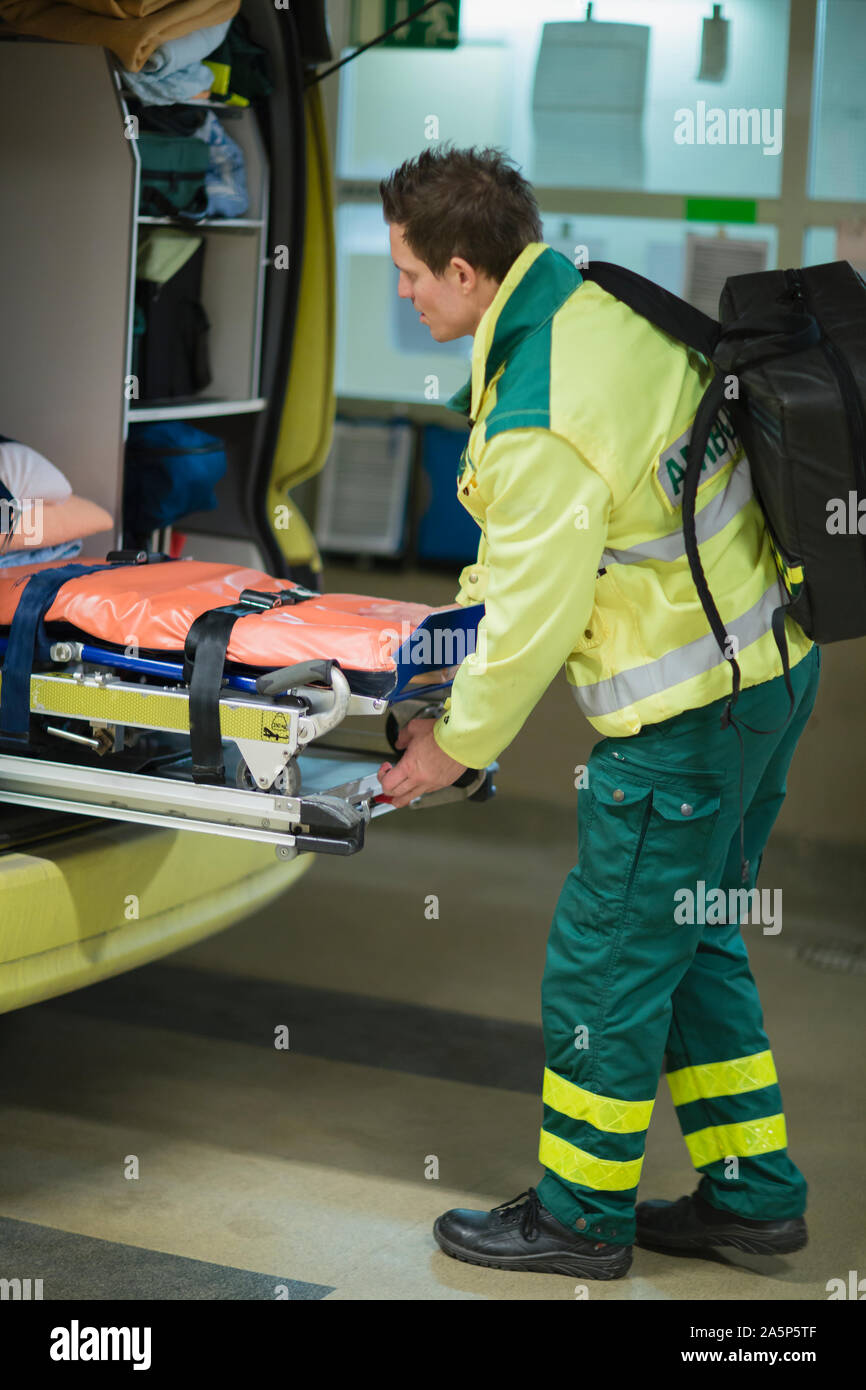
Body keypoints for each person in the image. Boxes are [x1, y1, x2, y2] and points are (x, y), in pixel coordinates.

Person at [375, 145, 819, 1281]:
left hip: (683, 715)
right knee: (692, 931)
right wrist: (444, 649)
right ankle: (751, 1194)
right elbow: (543, 547)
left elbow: (532, 607)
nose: (403, 292)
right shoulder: (589, 298)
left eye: (411, 273)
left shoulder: (534, 410)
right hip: (766, 673)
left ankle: (578, 1216)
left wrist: (449, 746)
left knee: (608, 961)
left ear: (466, 271)